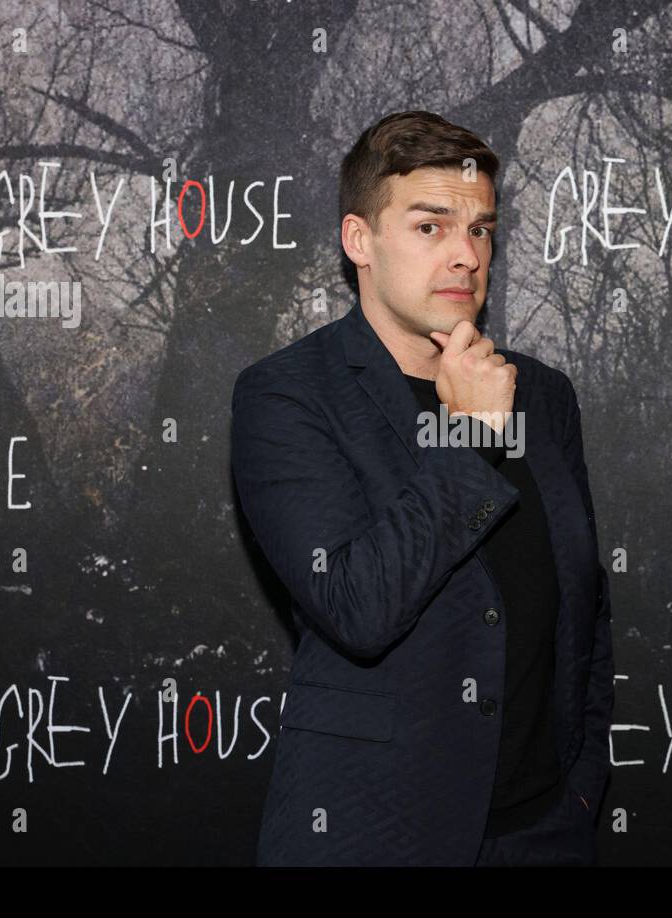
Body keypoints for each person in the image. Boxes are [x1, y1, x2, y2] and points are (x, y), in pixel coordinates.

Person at [230, 110, 613, 866]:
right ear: (359, 241)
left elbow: (584, 605)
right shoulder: (287, 396)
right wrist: (470, 437)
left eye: (480, 230)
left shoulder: (541, 394)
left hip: (543, 832)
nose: (465, 255)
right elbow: (358, 605)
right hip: (374, 836)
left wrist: (580, 785)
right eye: (431, 227)